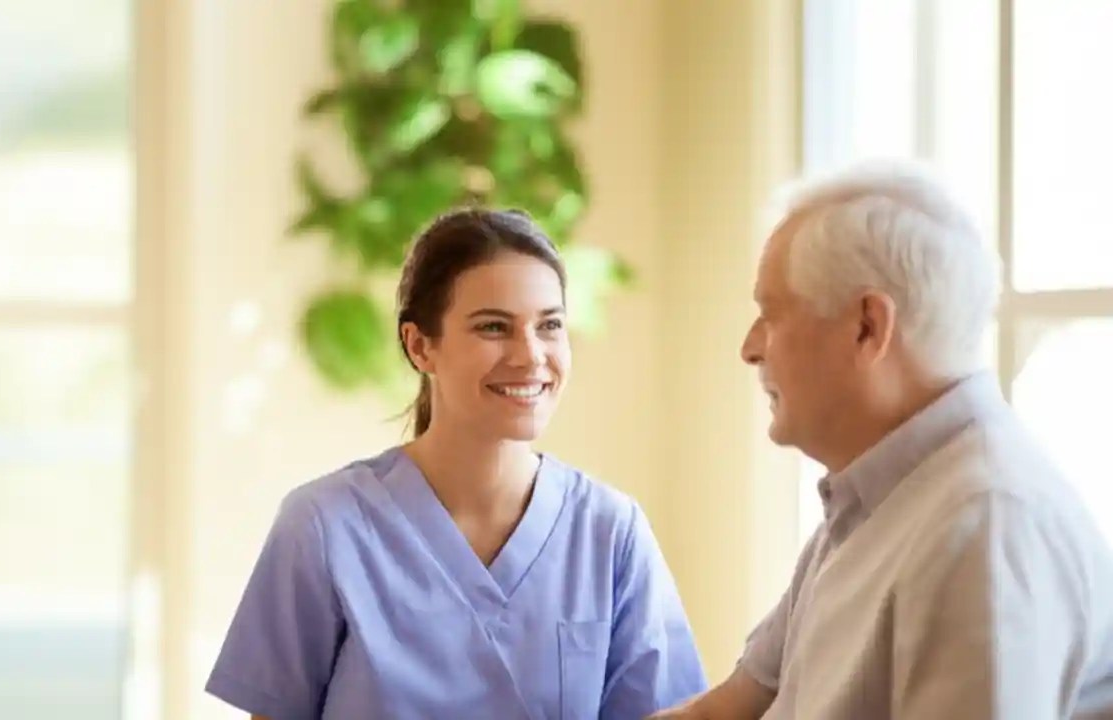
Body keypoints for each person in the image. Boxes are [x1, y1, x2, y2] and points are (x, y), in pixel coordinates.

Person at [650, 163, 1113, 719]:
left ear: (868, 326)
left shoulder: (986, 520)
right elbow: (722, 713)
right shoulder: (869, 498)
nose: (750, 349)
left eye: (770, 315)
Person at [207, 208, 707, 719]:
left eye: (549, 325)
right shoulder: (323, 526)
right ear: (420, 345)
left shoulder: (610, 534)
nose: (531, 355)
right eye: (494, 327)